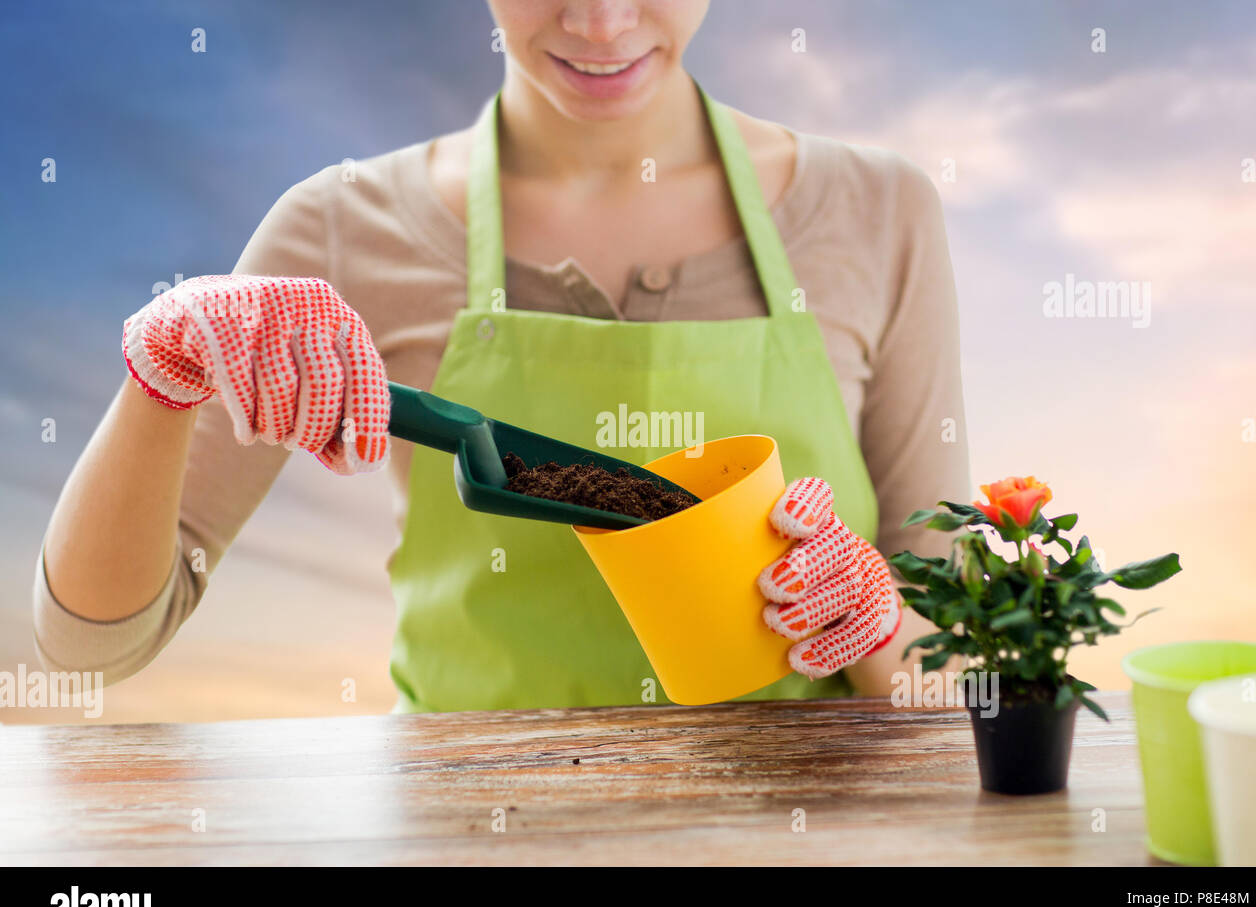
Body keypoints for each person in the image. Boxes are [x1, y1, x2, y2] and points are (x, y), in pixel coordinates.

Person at [35, 0, 970, 712]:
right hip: (465, 840)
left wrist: (879, 627)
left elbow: (963, 672)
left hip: (805, 845)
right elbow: (88, 650)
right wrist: (164, 369)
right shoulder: (337, 229)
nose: (601, 23)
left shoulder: (880, 212)